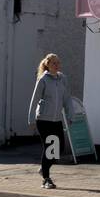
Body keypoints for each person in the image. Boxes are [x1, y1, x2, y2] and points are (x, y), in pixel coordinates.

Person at [28, 53, 71, 189]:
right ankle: (46, 179)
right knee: (49, 148)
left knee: (59, 149)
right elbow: (35, 99)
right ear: (48, 64)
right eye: (54, 63)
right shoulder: (43, 80)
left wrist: (71, 115)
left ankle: (43, 168)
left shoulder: (62, 79)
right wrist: (31, 118)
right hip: (44, 119)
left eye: (58, 63)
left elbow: (67, 99)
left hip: (56, 119)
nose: (57, 65)